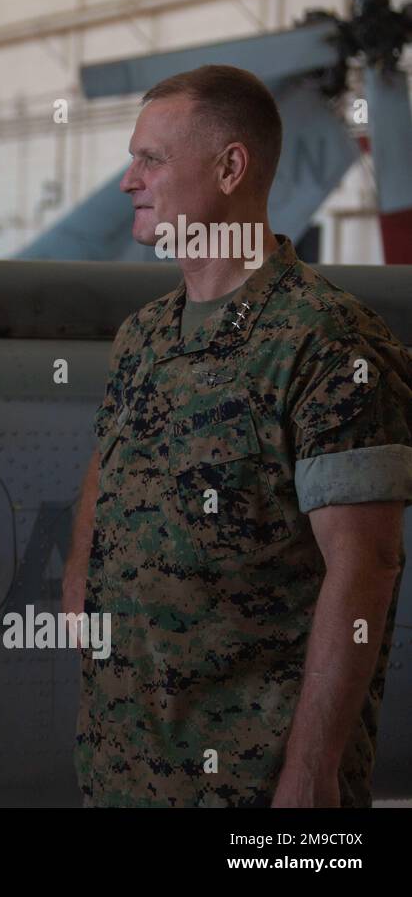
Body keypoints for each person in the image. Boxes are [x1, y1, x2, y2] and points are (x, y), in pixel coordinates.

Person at [61, 65, 412, 806]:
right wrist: (78, 580)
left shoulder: (326, 342)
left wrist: (312, 773)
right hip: (125, 769)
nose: (130, 181)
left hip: (255, 781)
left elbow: (367, 566)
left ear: (229, 167)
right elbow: (107, 464)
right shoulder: (144, 336)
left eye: (150, 159)